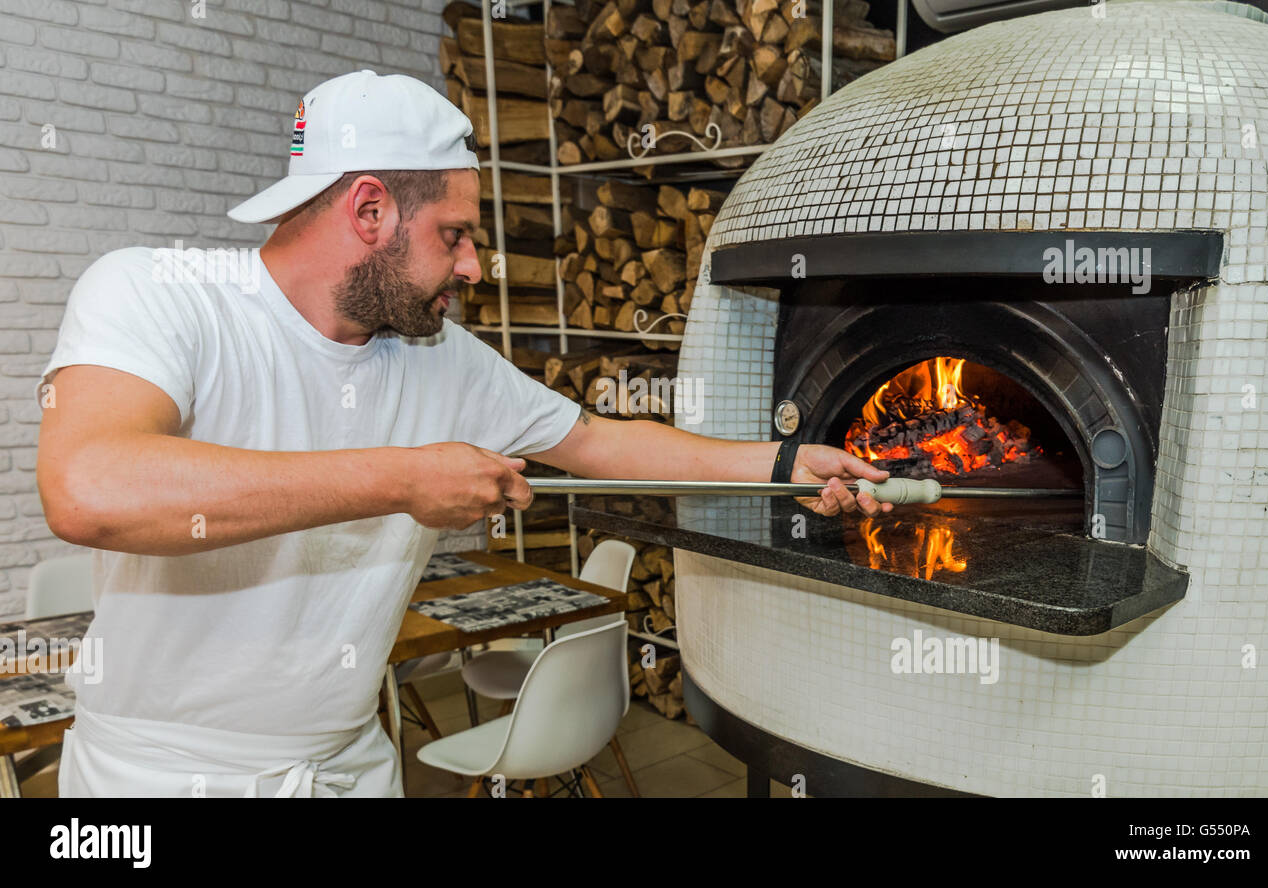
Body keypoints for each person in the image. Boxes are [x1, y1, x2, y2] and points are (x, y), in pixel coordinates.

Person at [35, 71, 892, 798]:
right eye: (455, 236)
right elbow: (91, 490)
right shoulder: (158, 295)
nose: (476, 267)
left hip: (351, 763)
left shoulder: (443, 359)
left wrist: (780, 462)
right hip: (159, 776)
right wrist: (402, 481)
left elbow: (598, 442)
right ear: (369, 210)